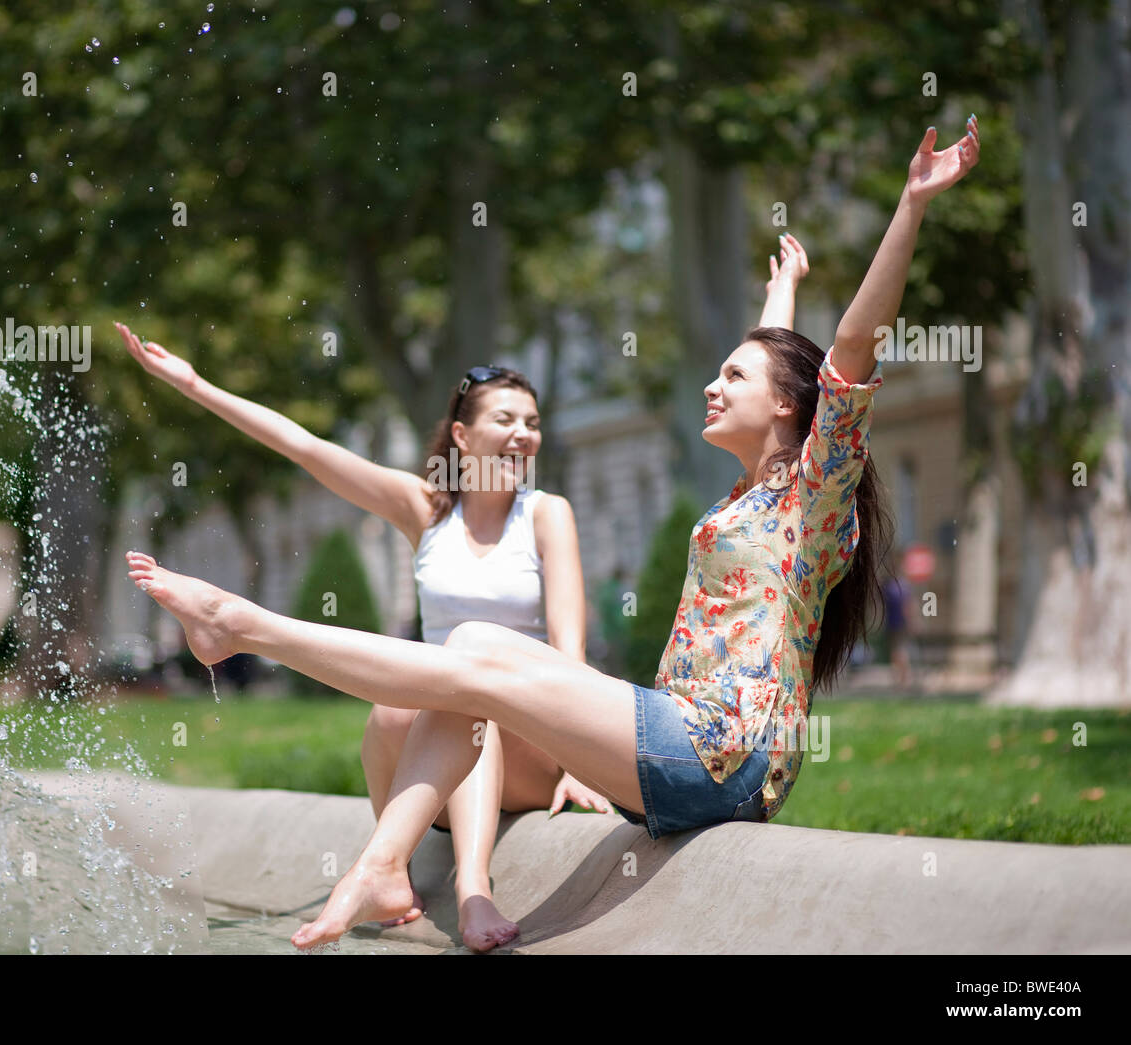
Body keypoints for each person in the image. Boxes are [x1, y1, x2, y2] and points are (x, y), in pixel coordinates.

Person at [125, 117, 980, 950]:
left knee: (479, 659)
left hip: (727, 762)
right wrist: (779, 296)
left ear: (792, 407)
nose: (712, 387)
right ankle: (378, 866)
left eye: (732, 376)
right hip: (677, 741)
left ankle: (246, 629)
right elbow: (780, 370)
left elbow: (850, 347)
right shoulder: (748, 497)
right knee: (475, 654)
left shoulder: (812, 499)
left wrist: (911, 203)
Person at [114, 321, 616, 951]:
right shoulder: (424, 509)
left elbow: (570, 650)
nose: (524, 434)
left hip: (535, 739)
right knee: (392, 709)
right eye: (507, 419)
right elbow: (306, 447)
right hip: (440, 736)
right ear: (462, 435)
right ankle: (392, 874)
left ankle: (473, 892)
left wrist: (580, 759)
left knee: (473, 697)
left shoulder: (545, 513)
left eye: (533, 422)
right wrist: (195, 385)